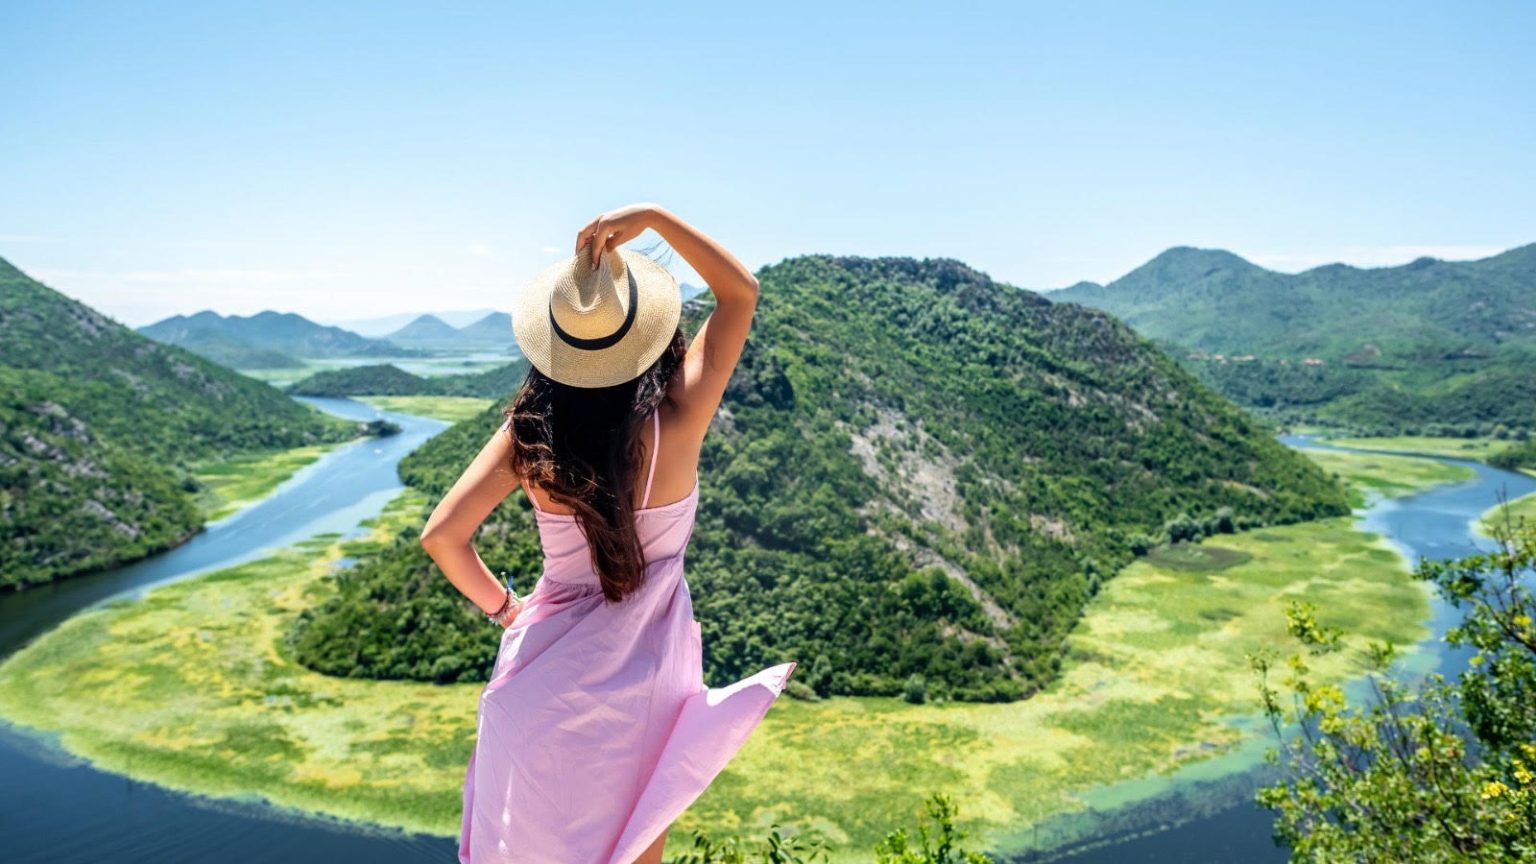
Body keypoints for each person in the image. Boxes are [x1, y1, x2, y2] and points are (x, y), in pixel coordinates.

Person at [420, 203, 798, 864]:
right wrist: (654, 219)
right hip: (642, 687)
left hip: (534, 688)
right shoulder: (677, 420)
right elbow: (741, 292)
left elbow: (442, 536)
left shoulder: (529, 434)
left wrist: (507, 612)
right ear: (648, 333)